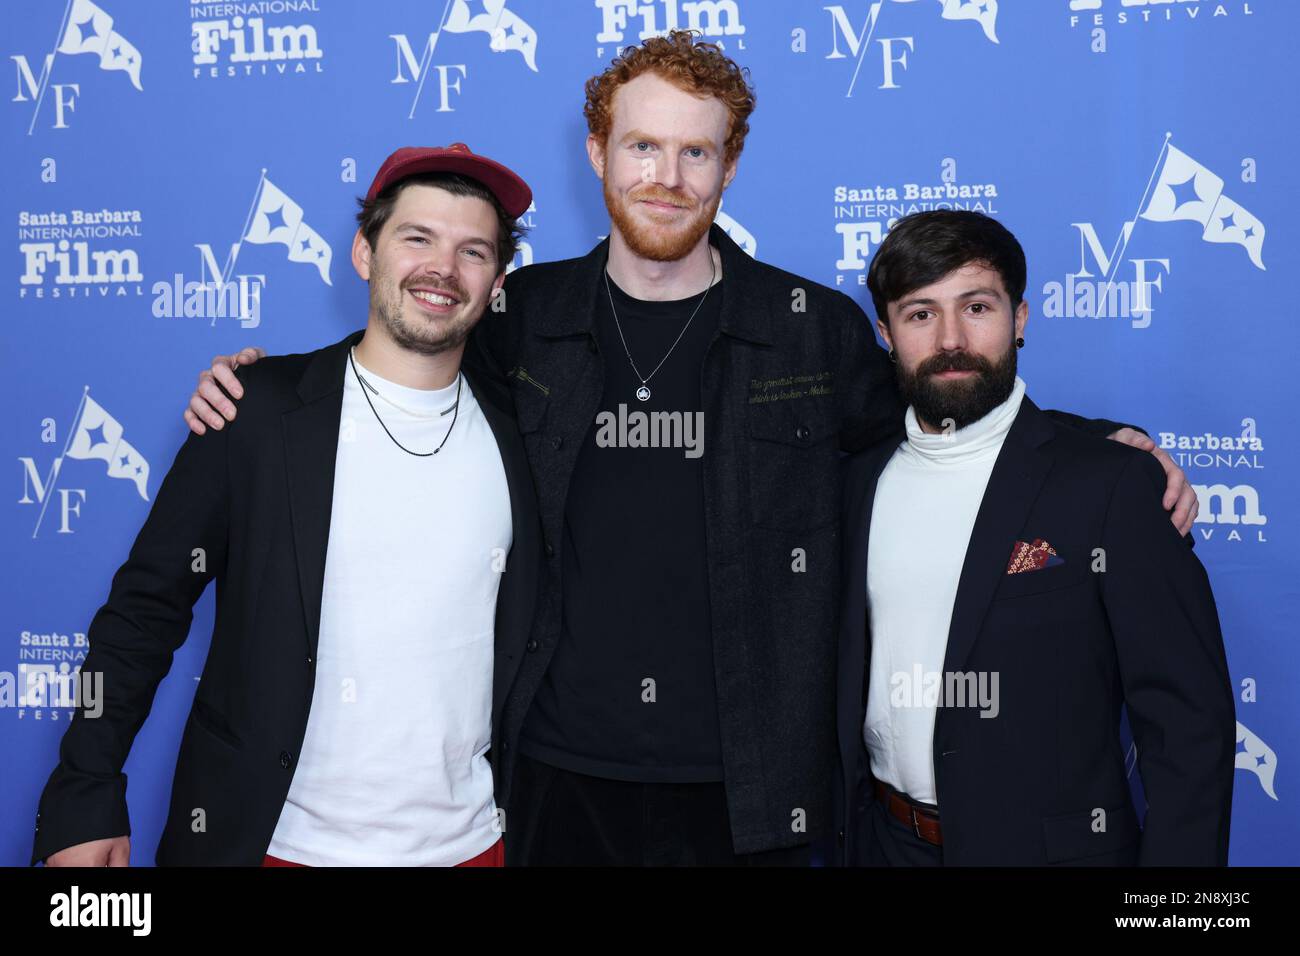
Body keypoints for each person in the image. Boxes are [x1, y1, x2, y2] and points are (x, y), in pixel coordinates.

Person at [181, 32, 1197, 865]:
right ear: (597, 152)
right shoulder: (523, 317)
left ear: (730, 163)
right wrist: (271, 385)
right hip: (548, 780)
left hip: (756, 794)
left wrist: (1094, 450)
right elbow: (409, 340)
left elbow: (949, 425)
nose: (666, 178)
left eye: (695, 153)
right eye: (642, 148)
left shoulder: (810, 327)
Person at [32, 144, 541, 866]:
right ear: (365, 253)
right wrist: (81, 793)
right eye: (417, 238)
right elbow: (143, 612)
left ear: (495, 281)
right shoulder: (253, 412)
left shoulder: (523, 432)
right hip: (272, 846)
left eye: (473, 251)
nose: (442, 270)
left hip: (470, 848)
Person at [833, 210, 1235, 866]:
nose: (952, 338)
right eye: (920, 314)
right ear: (885, 333)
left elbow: (1189, 725)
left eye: (977, 306)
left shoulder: (1112, 482)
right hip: (886, 845)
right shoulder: (856, 483)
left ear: (1020, 318)